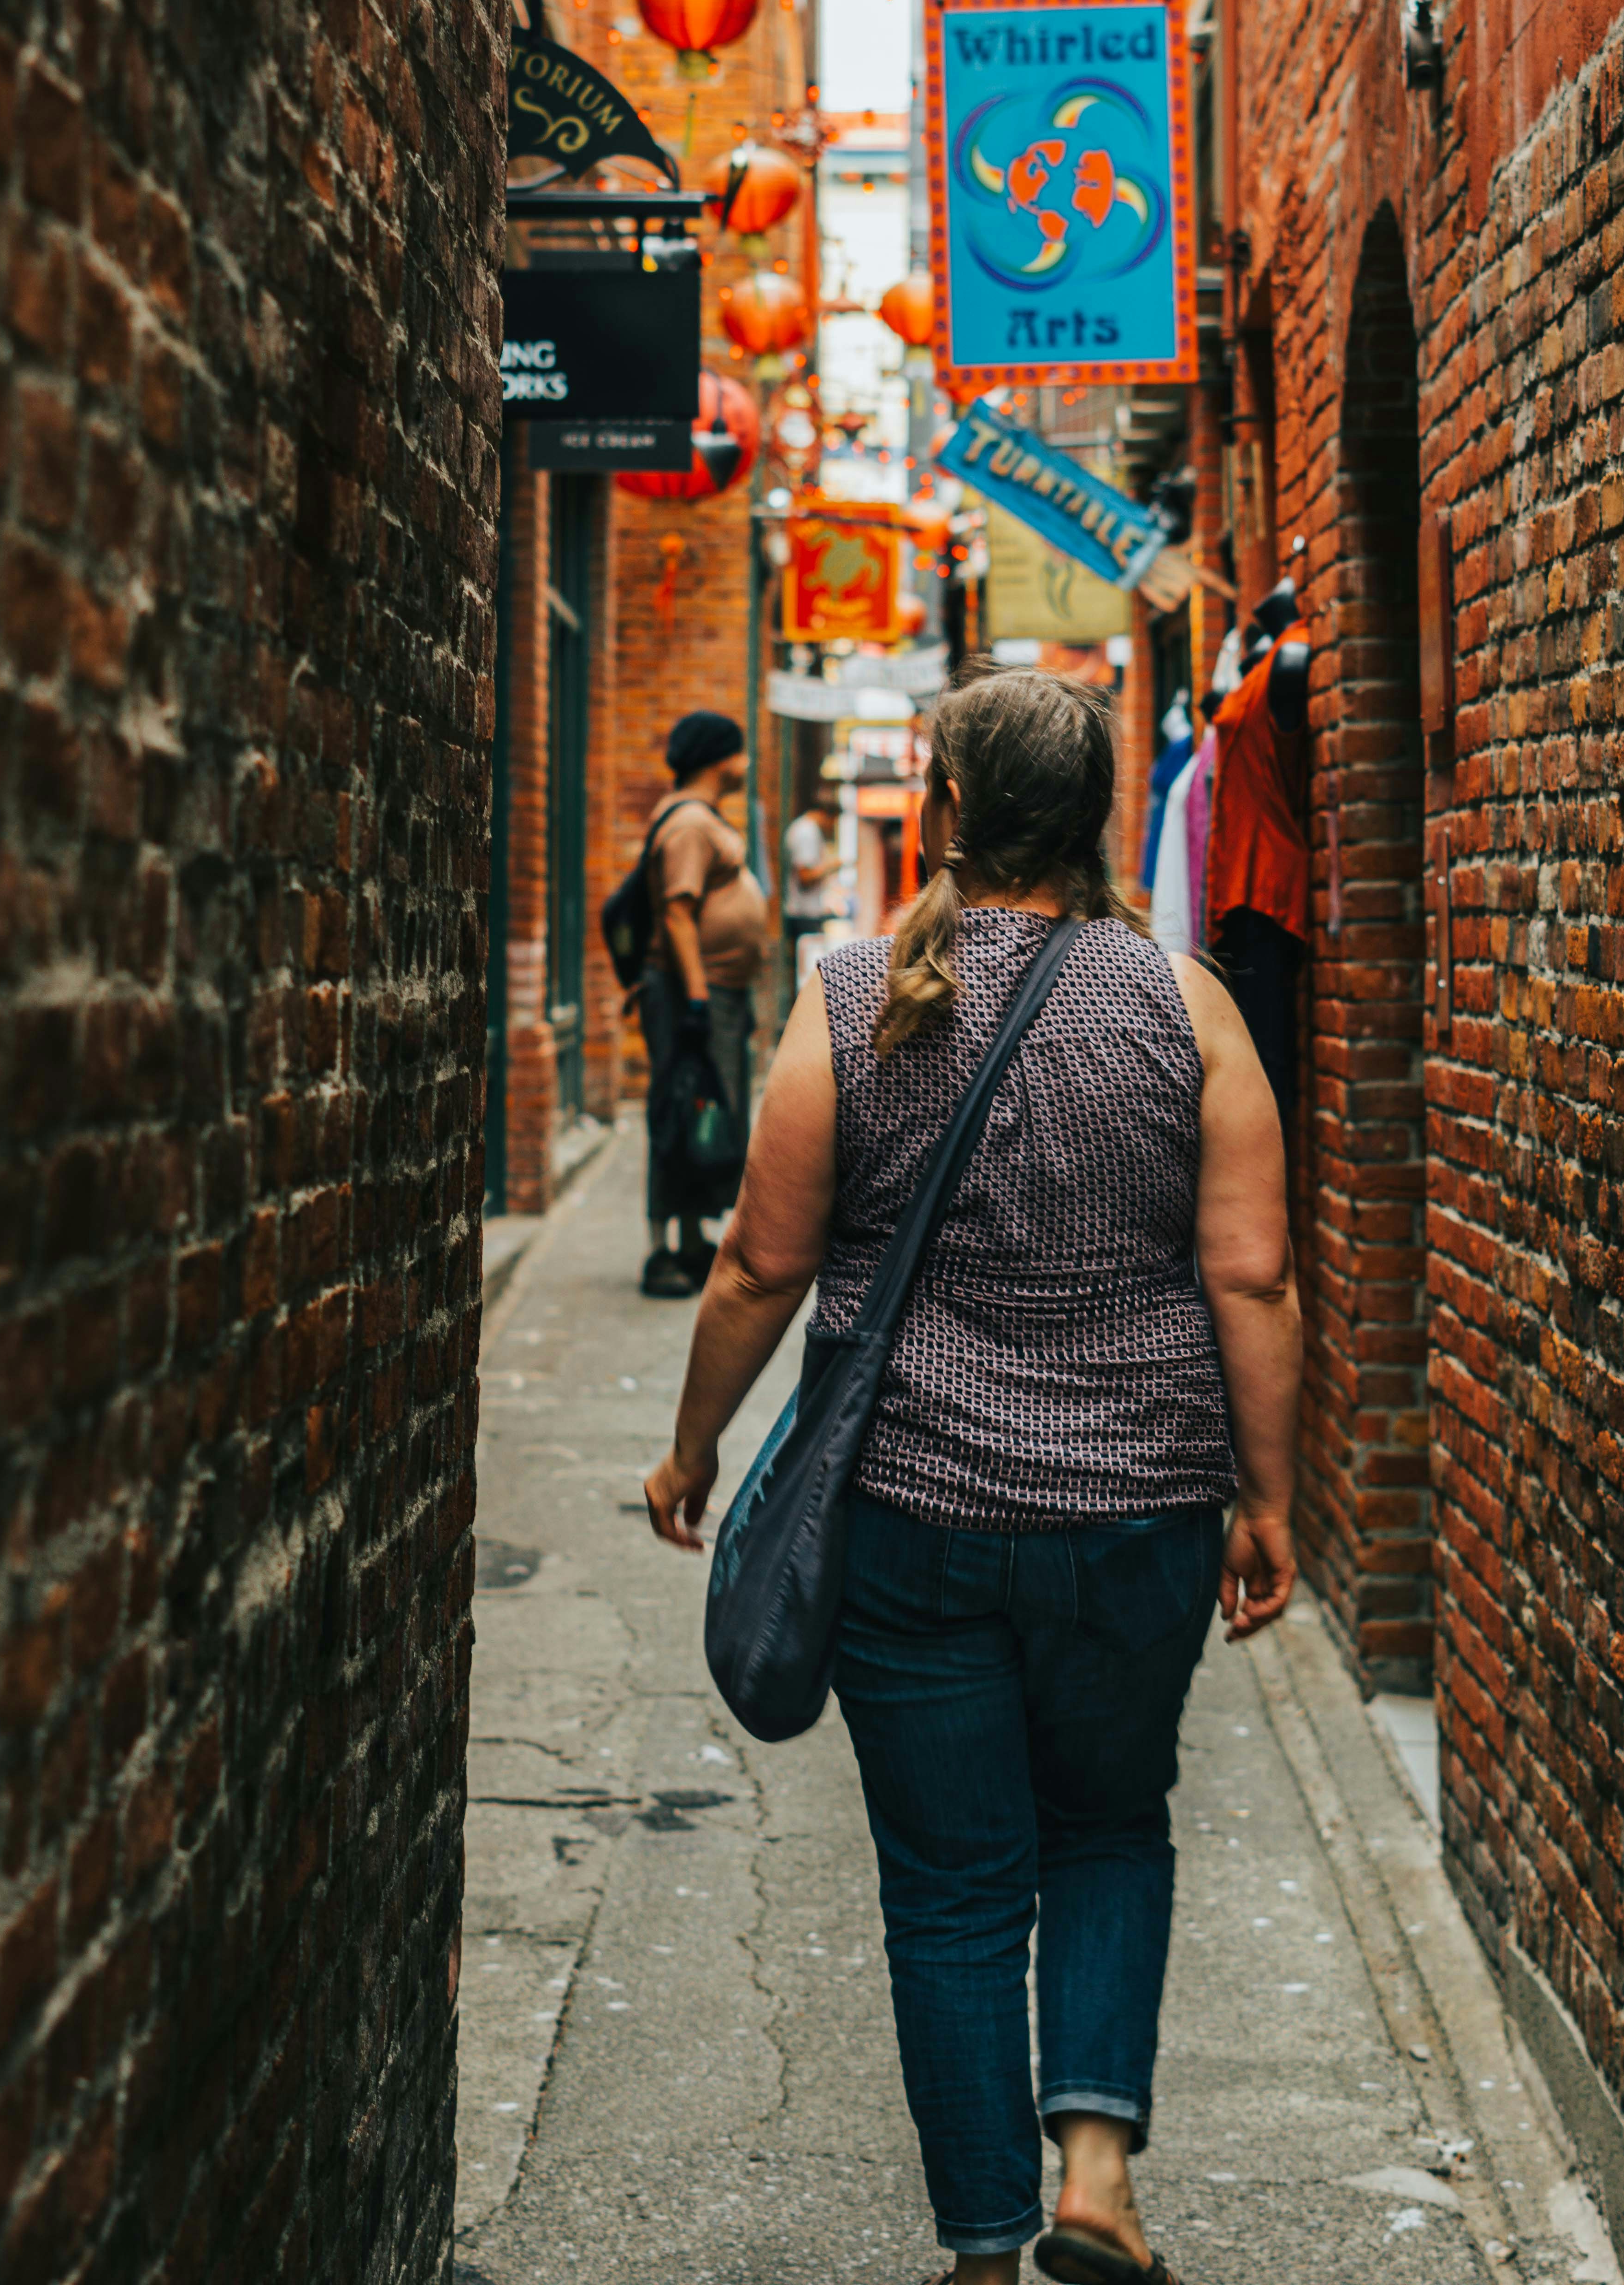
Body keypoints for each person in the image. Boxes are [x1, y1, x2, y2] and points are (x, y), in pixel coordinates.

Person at [645, 662, 1302, 2285]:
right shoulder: (1186, 1005)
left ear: (942, 808)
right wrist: (1271, 1498)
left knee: (950, 1895)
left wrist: (694, 1448)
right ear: (1090, 821)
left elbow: (757, 1262)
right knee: (1106, 1827)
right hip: (1137, 1515)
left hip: (915, 1521)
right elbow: (1254, 1278)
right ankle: (1096, 2175)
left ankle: (984, 2252)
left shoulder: (855, 993)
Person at [636, 709, 768, 1300]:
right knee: (677, 1112)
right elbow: (677, 912)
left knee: (701, 1112)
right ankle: (660, 1251)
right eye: (740, 752)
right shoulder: (690, 824)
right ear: (721, 759)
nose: (747, 762)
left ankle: (691, 1240)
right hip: (696, 993)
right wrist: (693, 998)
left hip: (716, 992)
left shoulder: (700, 819)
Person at [782, 783, 843, 993]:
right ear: (826, 815)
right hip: (804, 915)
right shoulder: (807, 832)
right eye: (834, 821)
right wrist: (831, 866)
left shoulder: (805, 830)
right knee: (808, 976)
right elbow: (805, 876)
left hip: (805, 913)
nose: (833, 827)